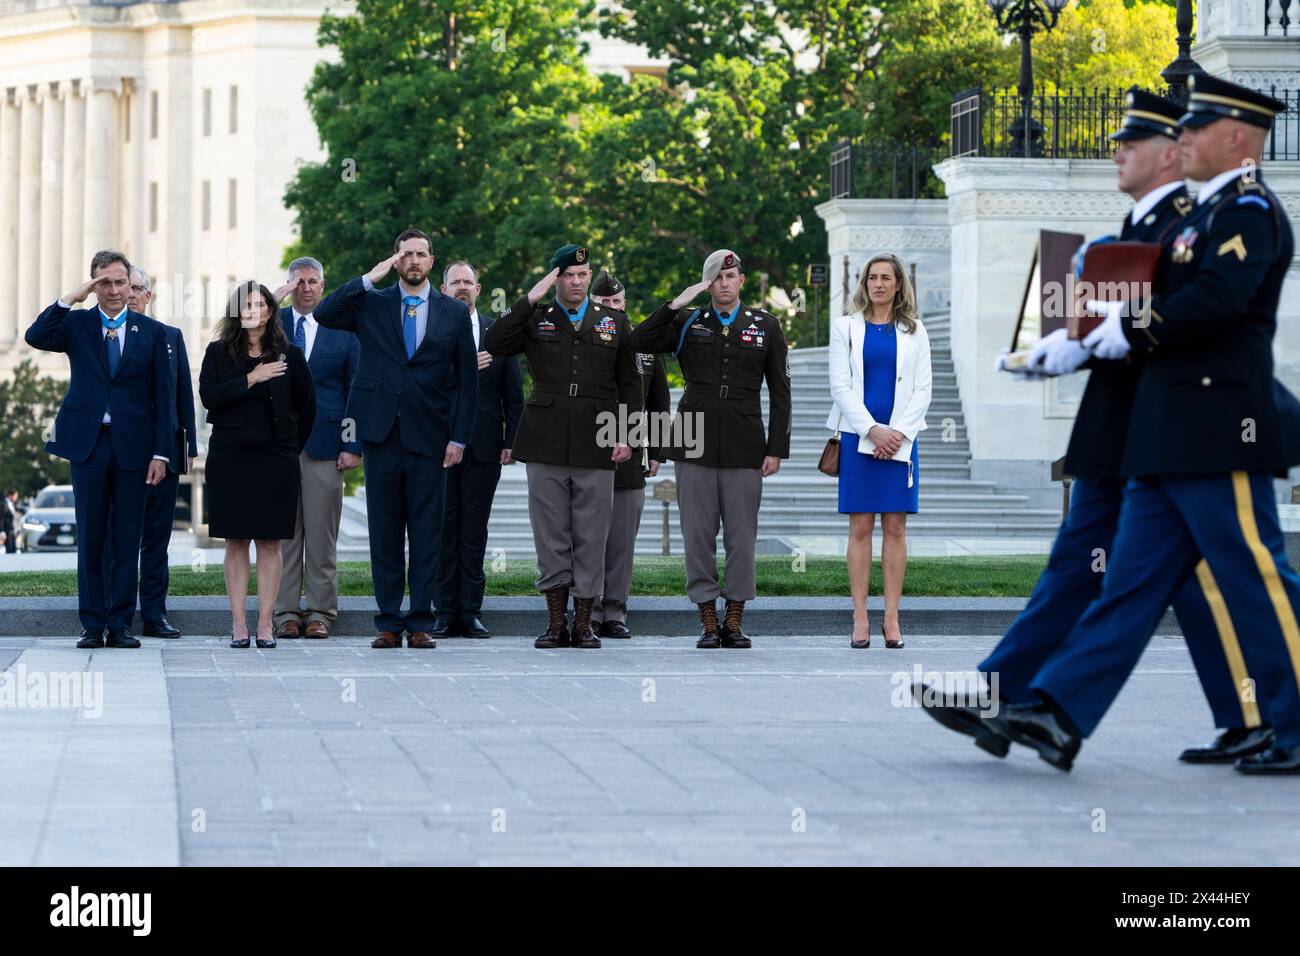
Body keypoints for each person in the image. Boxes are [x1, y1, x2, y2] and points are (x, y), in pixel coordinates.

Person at [918, 90, 1281, 764]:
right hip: (1138, 426)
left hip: (1171, 424)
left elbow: (1204, 314)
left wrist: (1091, 338)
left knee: (1184, 578)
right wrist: (1059, 344)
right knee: (1128, 576)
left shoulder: (1198, 220)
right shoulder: (1149, 225)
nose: (1115, 152)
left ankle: (1020, 694)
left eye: (1132, 143)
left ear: (1175, 152)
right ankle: (1036, 701)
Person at [313, 229, 478, 649]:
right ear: (397, 260)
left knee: (426, 535)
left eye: (421, 254)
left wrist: (459, 438)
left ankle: (421, 620)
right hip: (381, 436)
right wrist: (370, 277)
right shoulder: (372, 303)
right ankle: (388, 621)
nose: (414, 261)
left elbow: (468, 384)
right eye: (407, 254)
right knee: (384, 534)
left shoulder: (453, 314)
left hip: (431, 439)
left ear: (432, 261)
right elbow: (325, 314)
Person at [629, 250, 792, 649]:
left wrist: (776, 448)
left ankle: (733, 617)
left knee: (741, 535)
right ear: (706, 283)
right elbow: (638, 340)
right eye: (716, 277)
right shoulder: (687, 321)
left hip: (744, 437)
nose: (724, 282)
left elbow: (782, 392)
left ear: (741, 281)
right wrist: (676, 303)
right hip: (691, 433)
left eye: (730, 275)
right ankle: (706, 616)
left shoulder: (765, 326)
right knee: (697, 534)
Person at [483, 244, 638, 649]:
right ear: (555, 278)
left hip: (598, 437)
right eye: (567, 274)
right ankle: (555, 623)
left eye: (582, 275)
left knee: (592, 534)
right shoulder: (536, 317)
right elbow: (495, 342)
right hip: (546, 438)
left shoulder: (614, 321)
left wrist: (627, 435)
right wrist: (531, 297)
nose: (576, 281)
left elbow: (630, 384)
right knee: (551, 534)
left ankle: (584, 624)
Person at [25, 250, 172, 648]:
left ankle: (120, 624)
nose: (113, 290)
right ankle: (92, 623)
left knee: (127, 537)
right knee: (91, 537)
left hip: (134, 448)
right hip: (88, 445)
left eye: (120, 282)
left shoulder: (152, 333)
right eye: (103, 283)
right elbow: (35, 336)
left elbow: (164, 398)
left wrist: (162, 453)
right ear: (93, 285)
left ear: (131, 285)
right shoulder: (76, 324)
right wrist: (70, 298)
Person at [200, 281, 316, 649]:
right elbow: (209, 398)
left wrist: (289, 447)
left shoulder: (289, 355)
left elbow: (308, 406)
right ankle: (238, 623)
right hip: (230, 457)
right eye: (249, 304)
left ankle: (266, 623)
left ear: (271, 311)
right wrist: (251, 378)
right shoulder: (217, 353)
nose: (258, 310)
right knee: (236, 541)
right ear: (237, 310)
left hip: (276, 458)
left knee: (269, 542)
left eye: (263, 304)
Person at [827, 252, 931, 649]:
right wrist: (872, 430)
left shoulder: (915, 331)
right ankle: (859, 618)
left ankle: (891, 618)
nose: (879, 284)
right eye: (872, 277)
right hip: (858, 436)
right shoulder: (846, 328)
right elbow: (840, 385)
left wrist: (898, 434)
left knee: (895, 527)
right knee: (860, 527)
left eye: (887, 277)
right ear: (864, 283)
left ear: (899, 284)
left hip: (901, 444)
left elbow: (924, 390)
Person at [271, 257, 362, 640]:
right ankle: (286, 614)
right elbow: (236, 341)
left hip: (327, 446)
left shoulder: (344, 330)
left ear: (323, 286)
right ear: (289, 285)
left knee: (322, 538)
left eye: (312, 282)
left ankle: (321, 612)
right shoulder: (272, 328)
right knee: (284, 538)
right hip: (279, 446)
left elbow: (355, 390)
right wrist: (272, 304)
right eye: (298, 282)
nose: (306, 288)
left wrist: (352, 443)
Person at [433, 261, 523, 638]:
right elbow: (423, 383)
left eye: (468, 282)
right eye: (455, 282)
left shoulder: (497, 333)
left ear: (479, 288)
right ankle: (442, 611)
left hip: (485, 447)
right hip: (438, 446)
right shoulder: (431, 329)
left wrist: (511, 441)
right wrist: (463, 367)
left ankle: (469, 611)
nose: (462, 287)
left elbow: (514, 394)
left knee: (474, 531)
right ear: (443, 288)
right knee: (441, 528)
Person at [589, 270, 670, 639]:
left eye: (615, 303)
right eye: (602, 303)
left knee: (621, 538)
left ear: (625, 305)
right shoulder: (581, 340)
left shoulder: (645, 344)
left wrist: (657, 451)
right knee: (587, 537)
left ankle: (614, 611)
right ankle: (586, 610)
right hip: (587, 452)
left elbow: (658, 403)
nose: (609, 309)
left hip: (631, 453)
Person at [122, 266, 197, 639]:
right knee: (117, 541)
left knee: (156, 542)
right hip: (121, 458)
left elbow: (183, 395)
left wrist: (186, 452)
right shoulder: (108, 336)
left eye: (138, 289)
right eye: (126, 287)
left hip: (163, 457)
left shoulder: (170, 337)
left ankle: (154, 615)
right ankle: (113, 615)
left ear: (148, 296)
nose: (132, 294)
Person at [1, 490, 16, 554]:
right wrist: (2, 531)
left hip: (12, 530)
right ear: (10, 496)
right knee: (9, 550)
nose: (16, 498)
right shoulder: (3, 504)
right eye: (15, 496)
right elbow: (1, 518)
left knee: (13, 549)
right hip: (7, 531)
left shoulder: (11, 504)